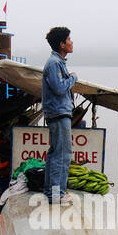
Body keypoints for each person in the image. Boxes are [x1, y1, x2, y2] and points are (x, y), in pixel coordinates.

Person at [42, 26, 77, 205]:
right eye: (69, 39)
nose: (72, 42)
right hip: (58, 113)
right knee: (62, 155)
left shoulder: (57, 62)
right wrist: (73, 78)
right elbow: (59, 87)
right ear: (62, 44)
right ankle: (57, 195)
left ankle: (51, 192)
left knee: (55, 153)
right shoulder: (54, 63)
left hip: (57, 113)